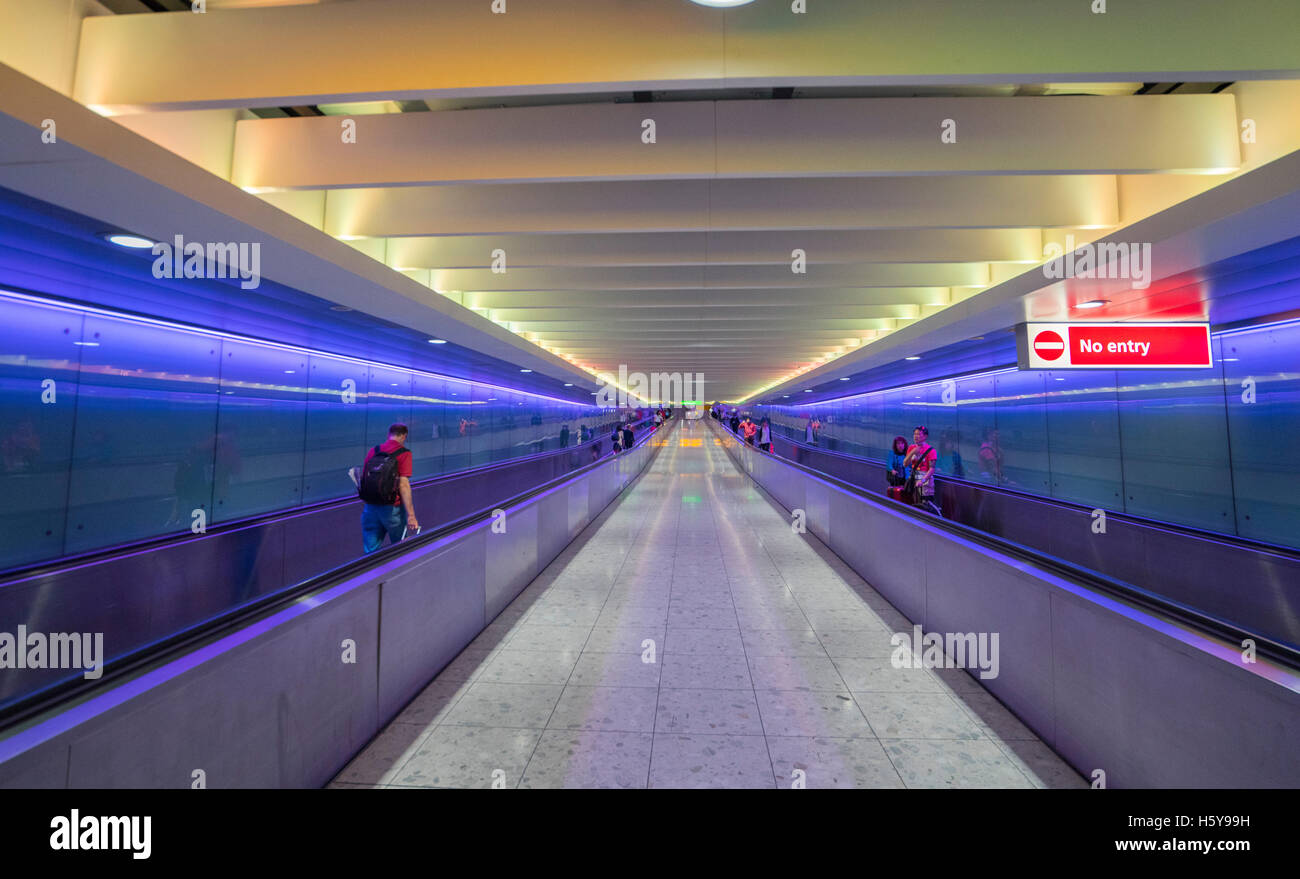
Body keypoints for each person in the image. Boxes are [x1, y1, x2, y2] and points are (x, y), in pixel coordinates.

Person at [358, 423, 419, 553]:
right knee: (401, 549)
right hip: (392, 509)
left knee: (370, 552)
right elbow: (403, 484)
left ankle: (373, 566)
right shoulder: (404, 453)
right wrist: (411, 515)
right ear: (404, 436)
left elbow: (364, 478)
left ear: (388, 435)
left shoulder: (374, 450)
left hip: (370, 508)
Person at [904, 425, 941, 516]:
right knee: (915, 502)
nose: (916, 436)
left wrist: (923, 480)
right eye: (915, 434)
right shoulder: (911, 448)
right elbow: (905, 464)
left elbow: (932, 469)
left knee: (926, 503)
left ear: (925, 436)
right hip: (914, 477)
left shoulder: (931, 450)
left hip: (925, 479)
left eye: (919, 434)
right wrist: (913, 452)